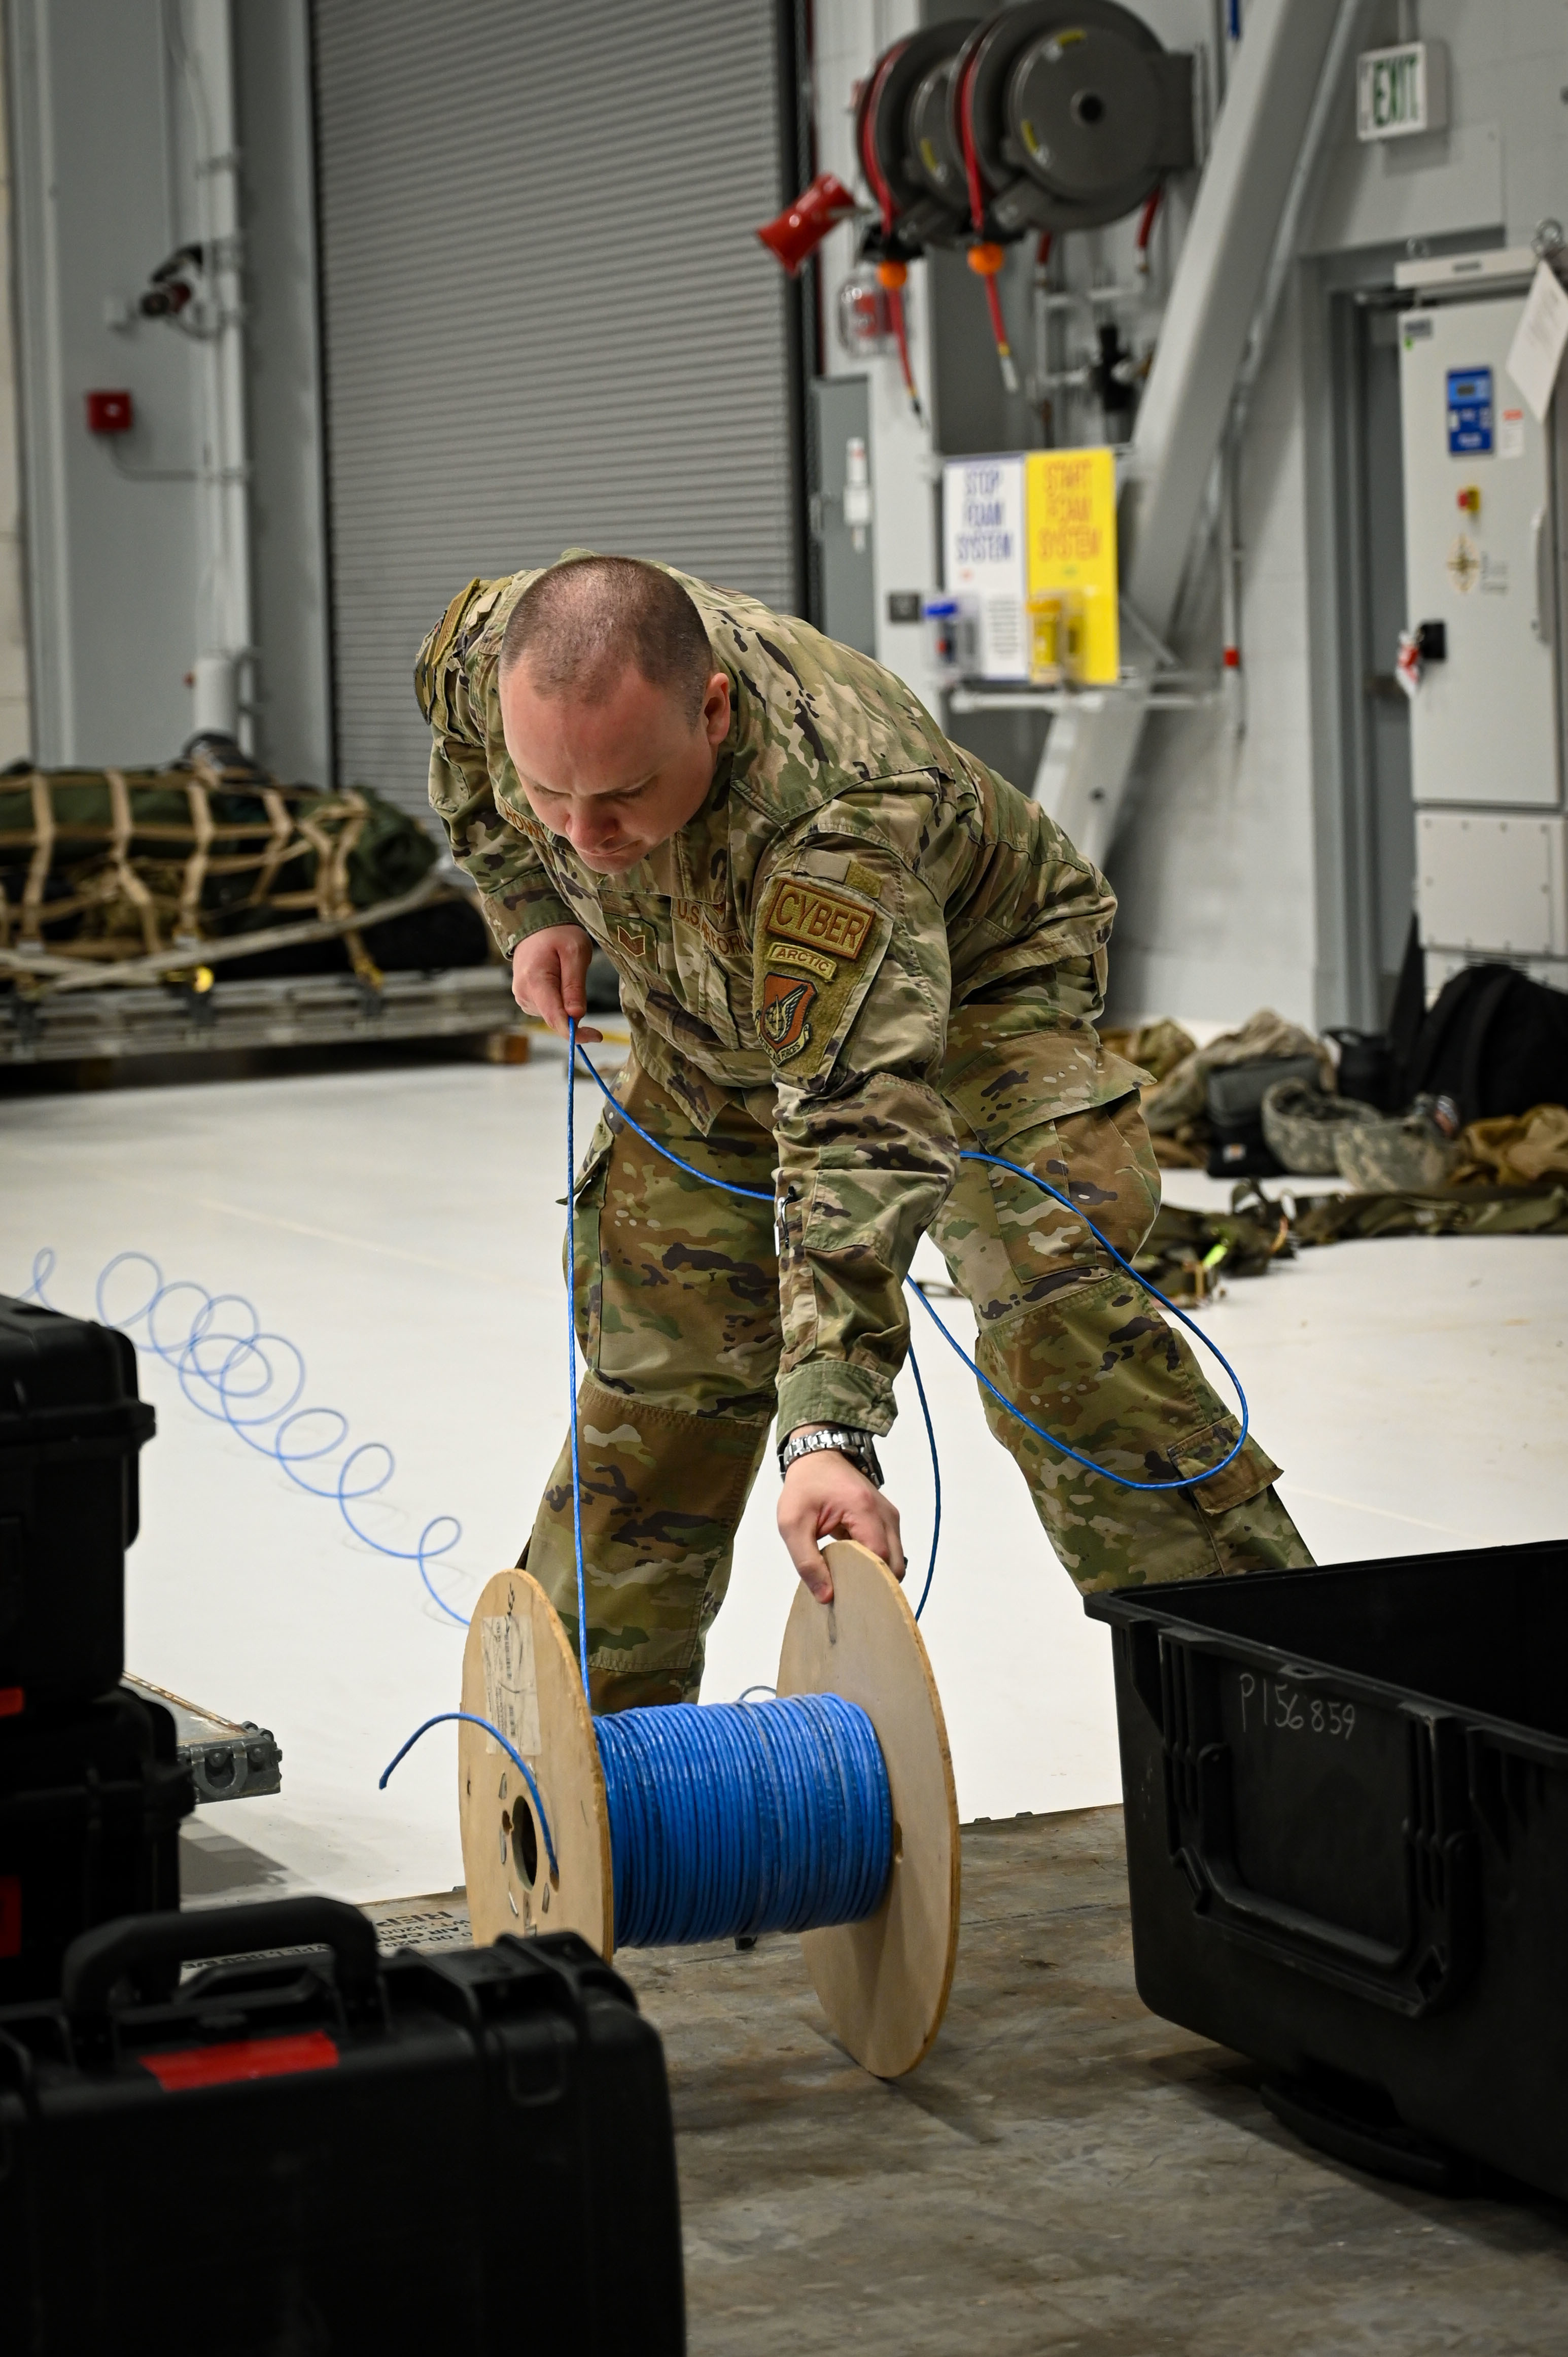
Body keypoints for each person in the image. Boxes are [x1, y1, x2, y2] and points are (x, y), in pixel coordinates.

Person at [416, 552, 1312, 1711]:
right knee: (666, 1363)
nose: (585, 836)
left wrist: (826, 1431)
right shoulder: (486, 651)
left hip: (980, 995)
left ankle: (1289, 1707)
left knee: (1057, 1318)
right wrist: (527, 904)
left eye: (624, 797)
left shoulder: (837, 812)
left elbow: (854, 1124)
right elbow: (464, 764)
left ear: (714, 710)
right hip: (708, 1016)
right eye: (552, 797)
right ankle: (594, 1791)